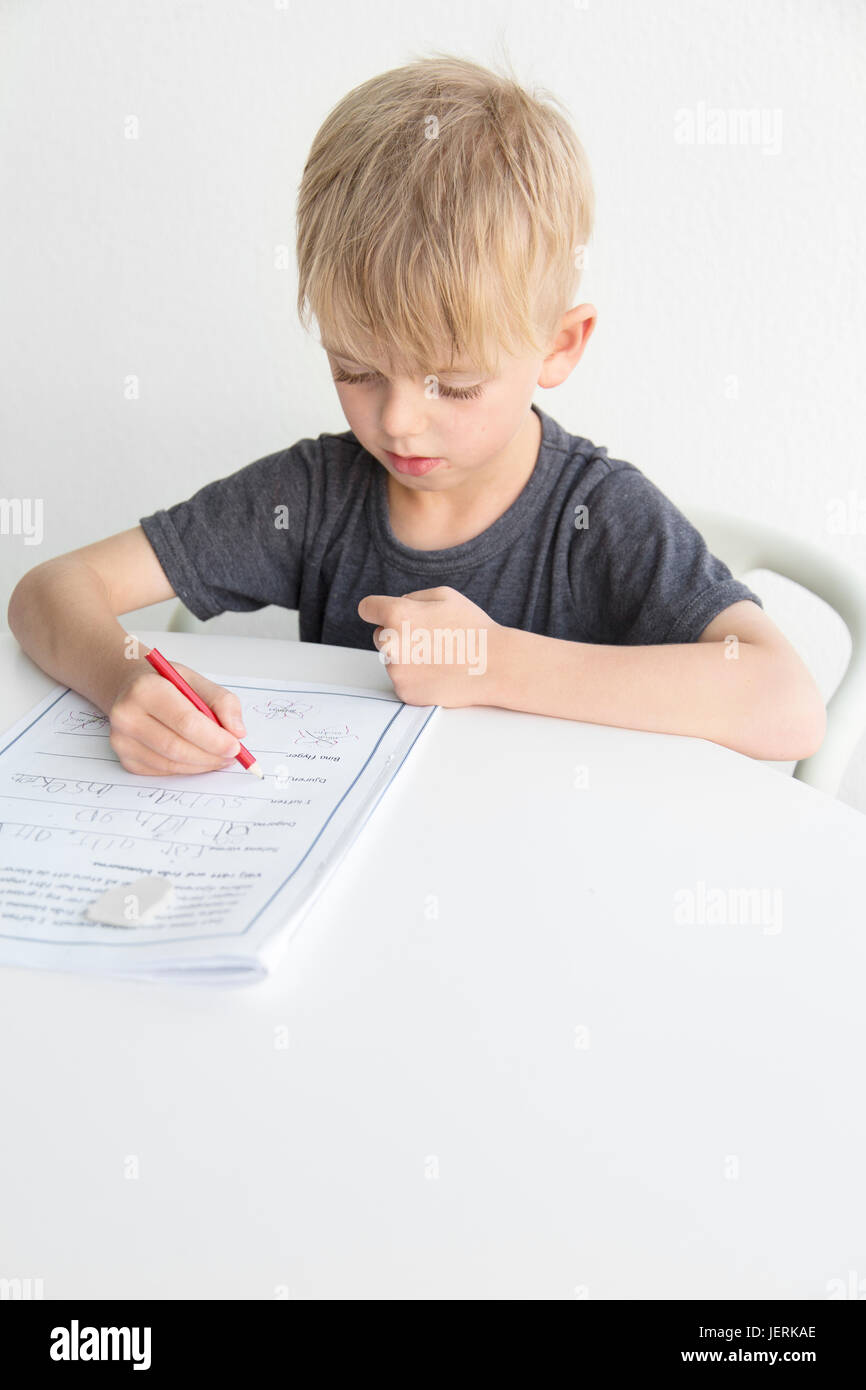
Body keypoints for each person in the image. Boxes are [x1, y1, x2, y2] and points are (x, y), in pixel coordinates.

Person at [7, 53, 825, 777]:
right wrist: (126, 677)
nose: (397, 420)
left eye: (456, 385)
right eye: (355, 369)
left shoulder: (598, 518)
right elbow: (50, 590)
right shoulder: (315, 496)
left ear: (558, 346)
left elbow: (786, 702)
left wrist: (494, 663)